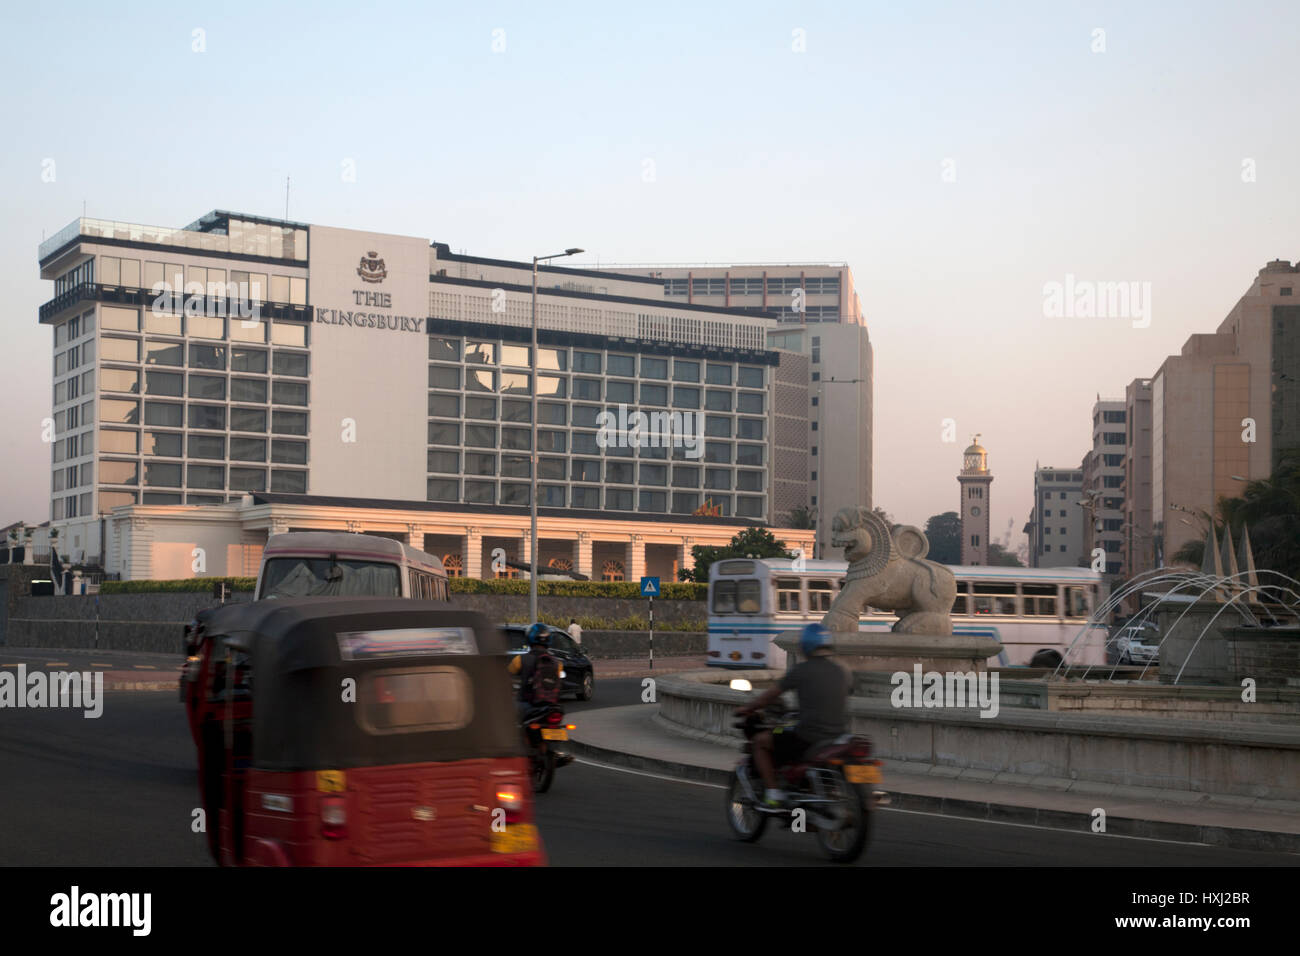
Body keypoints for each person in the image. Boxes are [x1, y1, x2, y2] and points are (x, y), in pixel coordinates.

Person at [734, 621, 852, 809]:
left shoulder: (801, 670)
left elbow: (770, 696)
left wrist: (747, 708)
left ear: (806, 645)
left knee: (760, 741)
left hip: (809, 736)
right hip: (838, 736)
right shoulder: (841, 671)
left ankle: (773, 793)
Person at [508, 622, 552, 720]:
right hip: (551, 706)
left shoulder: (519, 660)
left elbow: (506, 676)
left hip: (527, 704)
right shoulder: (557, 663)